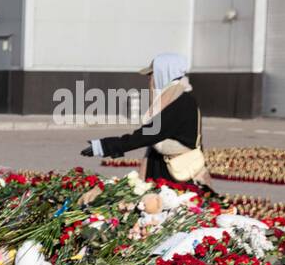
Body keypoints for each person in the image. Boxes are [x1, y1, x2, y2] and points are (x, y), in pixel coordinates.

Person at [81, 52, 210, 188]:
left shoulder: (180, 102)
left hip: (176, 174)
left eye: (151, 75)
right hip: (165, 166)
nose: (149, 81)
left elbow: (148, 134)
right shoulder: (174, 98)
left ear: (164, 74)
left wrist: (104, 146)